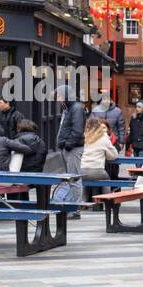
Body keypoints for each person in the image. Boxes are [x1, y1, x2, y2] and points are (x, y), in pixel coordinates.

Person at [56, 84, 87, 213]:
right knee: (69, 178)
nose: (57, 98)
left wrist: (68, 144)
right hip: (67, 148)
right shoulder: (68, 108)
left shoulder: (77, 108)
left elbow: (77, 130)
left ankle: (75, 209)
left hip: (73, 148)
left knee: (74, 178)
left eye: (58, 95)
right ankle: (70, 206)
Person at [81, 117, 119, 181]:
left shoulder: (83, 138)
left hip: (82, 170)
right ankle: (107, 191)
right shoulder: (104, 138)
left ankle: (84, 191)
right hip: (97, 171)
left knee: (85, 183)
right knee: (107, 180)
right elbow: (114, 156)